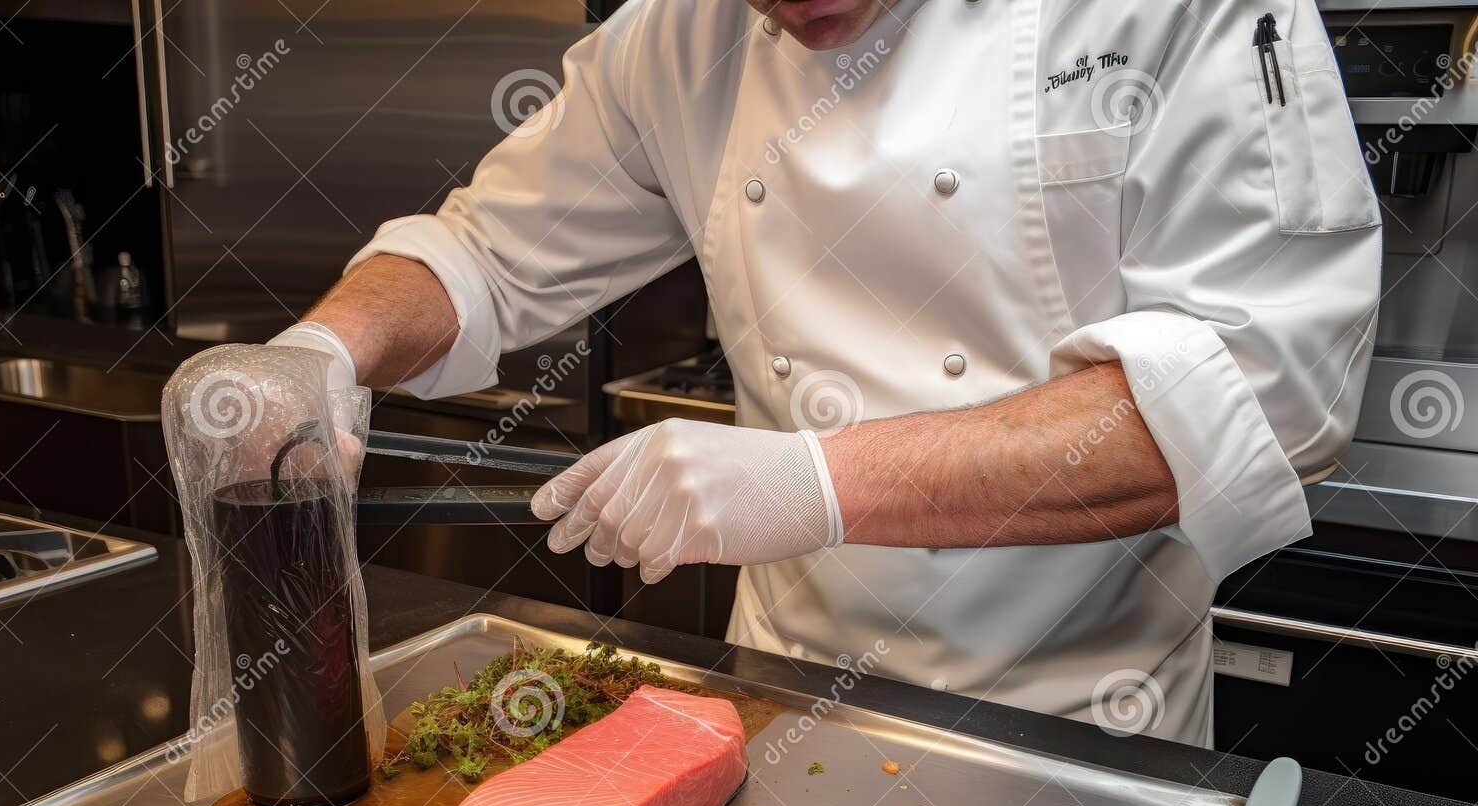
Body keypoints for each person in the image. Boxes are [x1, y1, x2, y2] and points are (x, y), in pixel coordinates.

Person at [247, 0, 1380, 745]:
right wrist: (325, 349)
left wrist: (814, 483)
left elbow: (1265, 394)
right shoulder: (674, 37)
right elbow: (486, 253)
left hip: (1080, 723)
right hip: (784, 699)